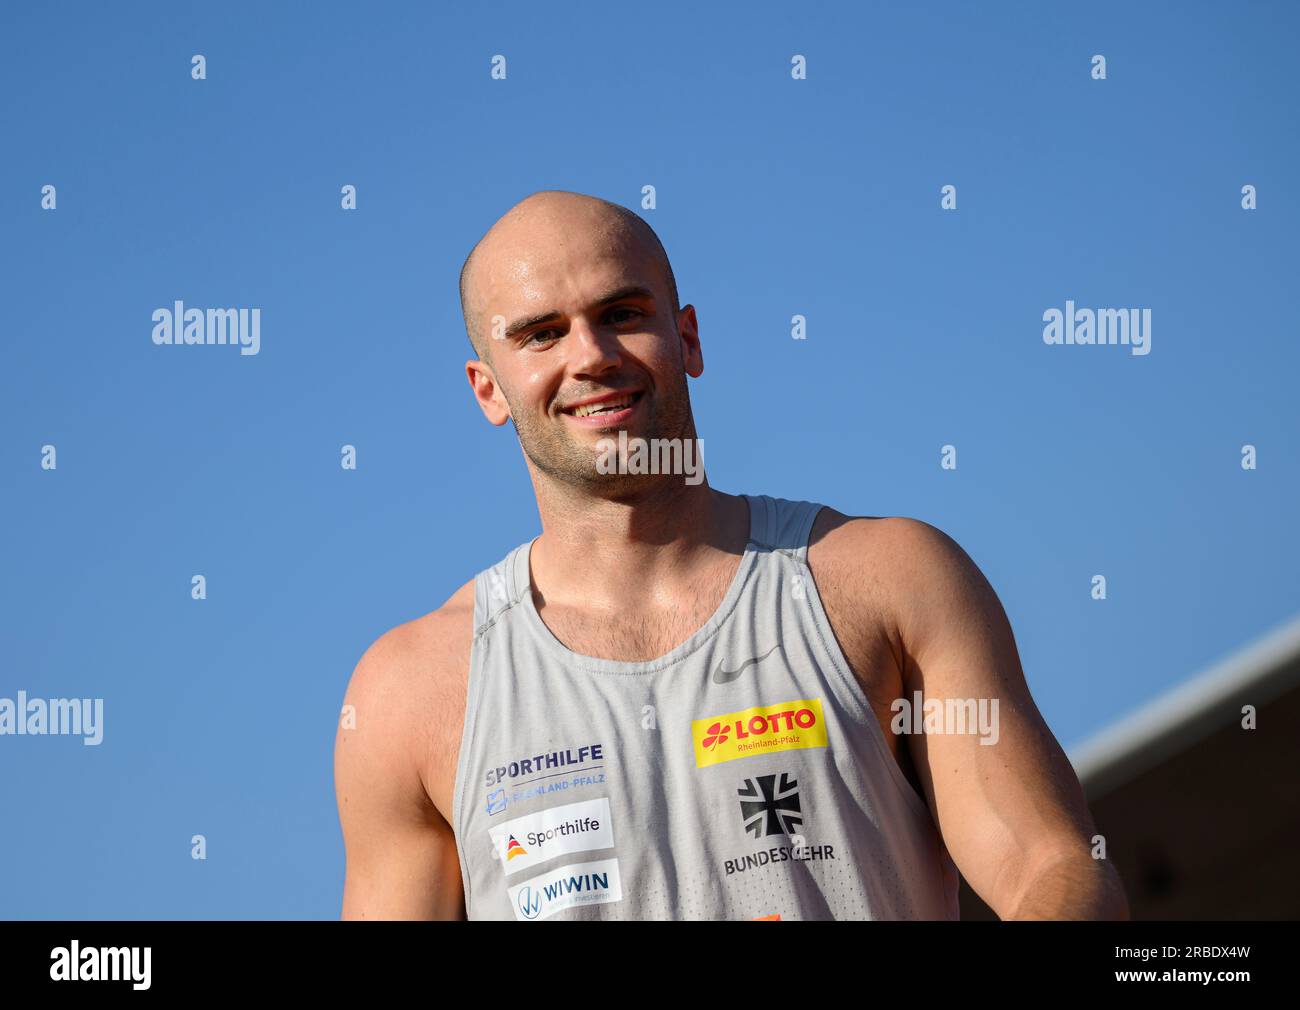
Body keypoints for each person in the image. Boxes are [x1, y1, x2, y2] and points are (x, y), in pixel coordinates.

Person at [333, 190, 1129, 921]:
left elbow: (1049, 866)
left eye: (622, 312)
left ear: (688, 337)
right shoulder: (412, 693)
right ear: (489, 389)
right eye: (542, 333)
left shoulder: (889, 579)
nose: (591, 355)